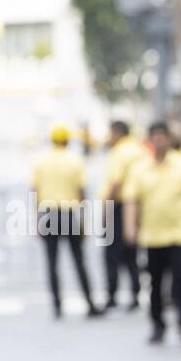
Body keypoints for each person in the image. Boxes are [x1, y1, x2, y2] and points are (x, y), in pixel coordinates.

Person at [123, 122, 181, 345]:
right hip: (153, 235)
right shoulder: (139, 169)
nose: (159, 140)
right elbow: (132, 201)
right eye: (155, 136)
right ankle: (158, 325)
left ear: (169, 139)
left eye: (163, 136)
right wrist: (130, 227)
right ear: (150, 140)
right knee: (156, 284)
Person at [32, 124, 103, 319]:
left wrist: (37, 219)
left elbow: (35, 192)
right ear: (68, 141)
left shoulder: (42, 161)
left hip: (48, 214)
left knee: (52, 262)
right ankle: (89, 303)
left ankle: (57, 306)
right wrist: (84, 220)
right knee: (79, 261)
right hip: (69, 214)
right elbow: (81, 192)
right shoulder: (74, 160)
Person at [100, 120, 145, 311]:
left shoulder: (120, 152)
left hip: (119, 206)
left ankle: (112, 296)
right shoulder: (138, 149)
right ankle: (135, 293)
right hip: (136, 205)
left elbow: (116, 182)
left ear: (117, 133)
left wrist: (106, 209)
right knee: (131, 253)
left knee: (111, 254)